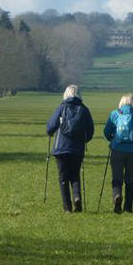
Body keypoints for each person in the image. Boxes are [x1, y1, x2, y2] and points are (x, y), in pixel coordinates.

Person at [46, 84, 94, 212]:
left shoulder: (61, 108)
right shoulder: (84, 110)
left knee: (63, 177)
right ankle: (77, 198)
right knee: (75, 176)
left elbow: (50, 127)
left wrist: (51, 132)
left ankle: (67, 208)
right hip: (77, 149)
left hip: (61, 148)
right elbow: (90, 131)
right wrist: (84, 140)